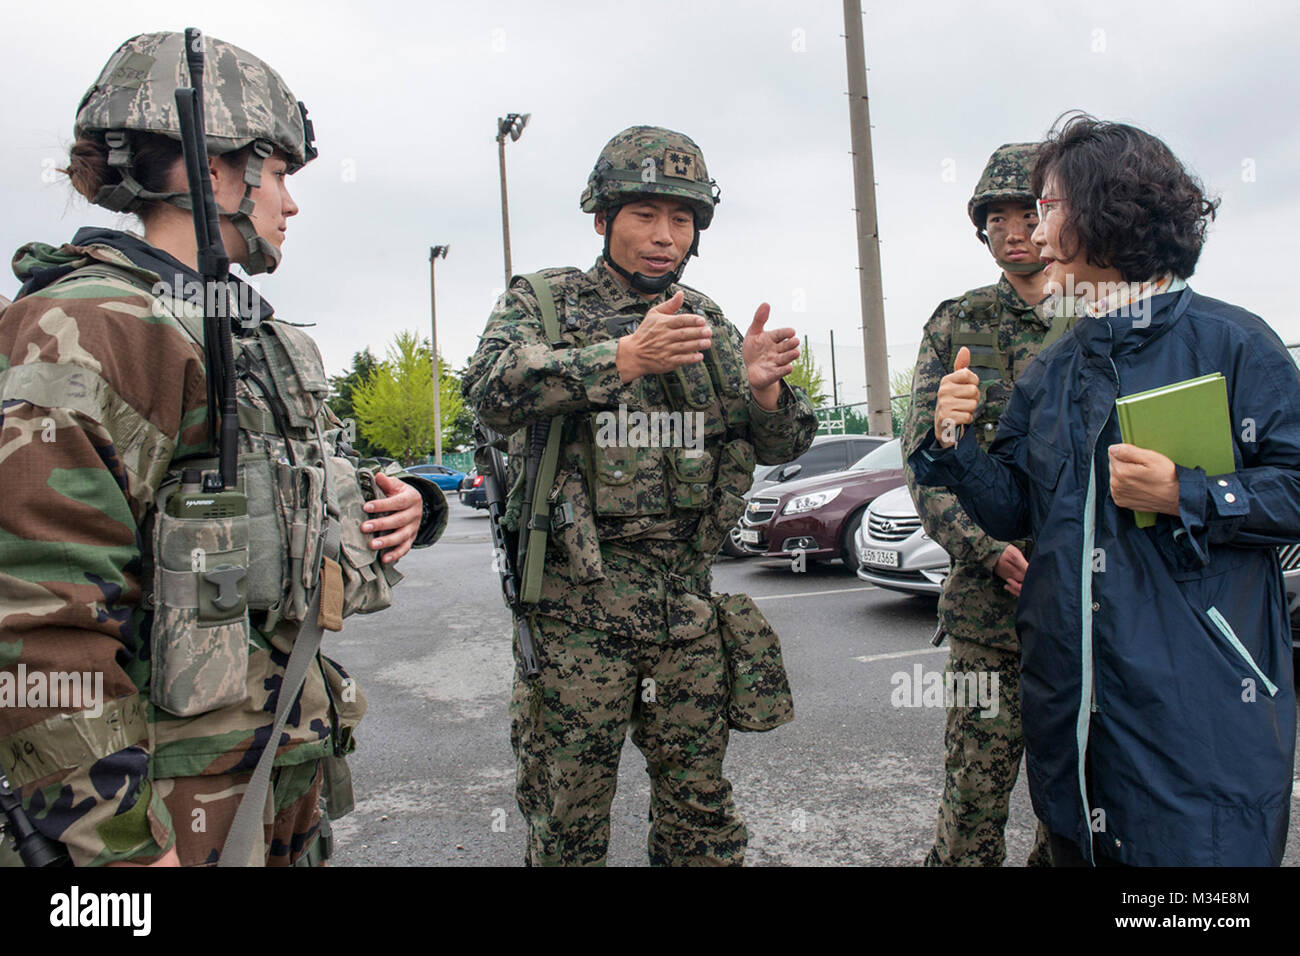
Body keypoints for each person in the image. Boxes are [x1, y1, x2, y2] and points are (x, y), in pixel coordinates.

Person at [0, 31, 447, 867]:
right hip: (162, 811)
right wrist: (120, 850)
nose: (291, 203)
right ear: (214, 173)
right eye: (278, 173)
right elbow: (39, 616)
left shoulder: (238, 330)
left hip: (272, 771)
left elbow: (289, 494)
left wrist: (414, 506)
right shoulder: (93, 325)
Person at [910, 112, 1299, 866]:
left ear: (1108, 213)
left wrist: (1189, 493)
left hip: (1197, 711)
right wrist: (955, 445)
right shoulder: (1053, 370)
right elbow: (1014, 507)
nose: (1035, 231)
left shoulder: (1234, 343)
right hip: (1073, 708)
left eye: (1048, 208)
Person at [463, 125, 817, 866]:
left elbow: (783, 444)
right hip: (575, 615)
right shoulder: (547, 302)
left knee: (702, 819)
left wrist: (762, 391)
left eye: (681, 219)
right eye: (645, 215)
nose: (664, 236)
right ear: (603, 217)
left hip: (685, 608)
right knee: (567, 823)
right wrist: (622, 358)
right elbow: (491, 391)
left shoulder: (709, 321)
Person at [903, 143, 1058, 867]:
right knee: (973, 797)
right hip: (987, 617)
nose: (1012, 230)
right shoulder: (957, 322)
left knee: (1081, 800)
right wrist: (987, 551)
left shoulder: (1102, 315)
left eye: (1027, 213)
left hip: (1086, 611)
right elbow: (924, 464)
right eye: (996, 218)